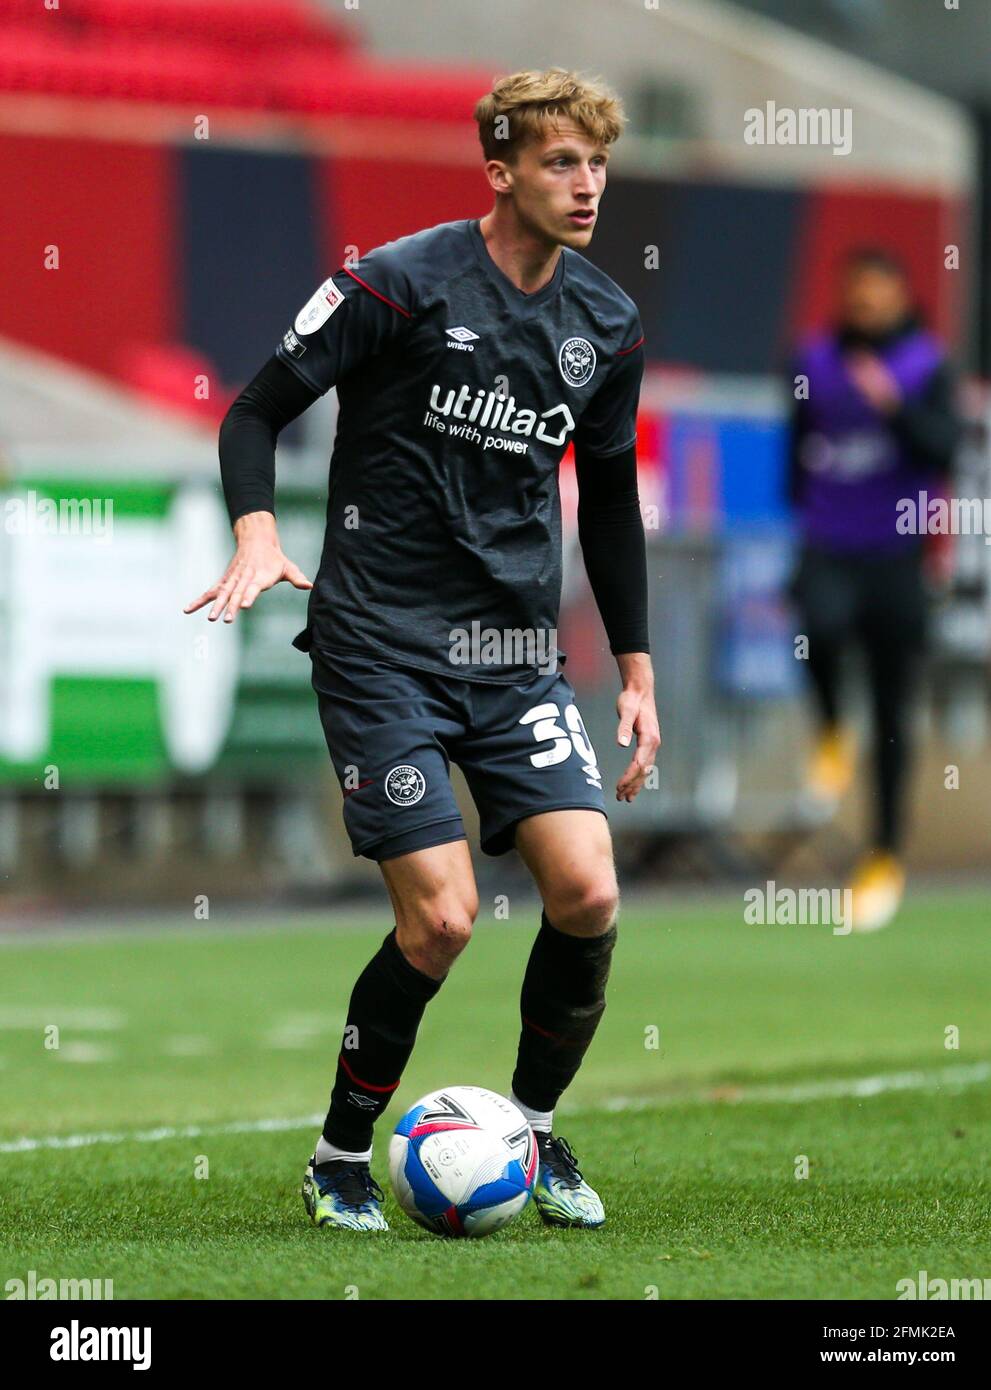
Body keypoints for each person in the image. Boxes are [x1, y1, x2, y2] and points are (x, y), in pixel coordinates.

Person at [185, 68, 660, 1230]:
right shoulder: (395, 283)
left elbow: (608, 503)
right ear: (499, 170)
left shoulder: (605, 323)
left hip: (515, 657)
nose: (586, 182)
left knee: (590, 890)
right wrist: (257, 524)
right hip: (380, 643)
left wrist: (639, 668)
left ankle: (536, 1135)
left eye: (597, 162)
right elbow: (254, 412)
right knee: (441, 919)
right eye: (560, 161)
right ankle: (340, 1156)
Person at [789, 248, 963, 931]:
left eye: (876, 296)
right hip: (829, 543)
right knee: (816, 628)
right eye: (853, 294)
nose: (863, 307)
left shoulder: (926, 365)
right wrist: (801, 509)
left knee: (894, 714)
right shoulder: (812, 359)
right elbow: (796, 443)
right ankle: (831, 724)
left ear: (897, 297)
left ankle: (883, 854)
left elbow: (945, 450)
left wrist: (893, 407)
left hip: (896, 555)